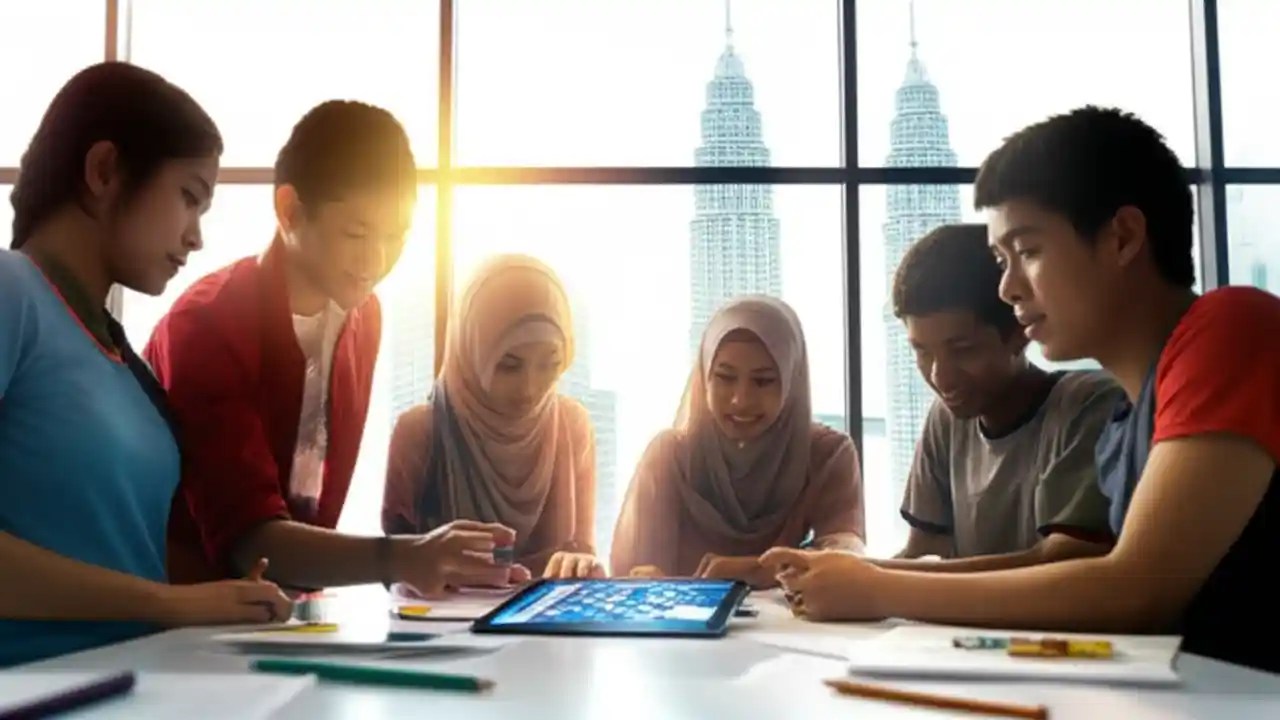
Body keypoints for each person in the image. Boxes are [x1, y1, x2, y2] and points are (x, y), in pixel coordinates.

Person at [762, 106, 1280, 675]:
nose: (1007, 288)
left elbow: (1136, 590)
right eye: (1001, 261)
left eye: (1028, 251)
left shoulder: (1231, 327)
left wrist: (881, 589)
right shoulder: (1122, 431)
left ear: (1123, 237)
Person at [145, 100, 518, 595]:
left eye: (395, 236)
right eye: (356, 233)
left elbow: (311, 501)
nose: (376, 260)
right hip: (189, 612)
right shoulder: (207, 325)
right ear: (290, 211)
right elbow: (247, 539)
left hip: (288, 612)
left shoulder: (365, 314)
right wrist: (406, 556)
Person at [0, 62, 291, 667]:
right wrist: (169, 604)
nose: (196, 238)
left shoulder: (119, 359)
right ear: (104, 171)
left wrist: (228, 597)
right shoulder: (11, 292)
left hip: (137, 682)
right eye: (189, 197)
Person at [878, 223, 1122, 572]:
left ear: (1020, 333)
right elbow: (923, 549)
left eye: (963, 350)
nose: (939, 376)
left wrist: (874, 581)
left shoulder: (1089, 407)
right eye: (922, 351)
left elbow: (1061, 561)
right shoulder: (946, 418)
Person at [611, 296, 864, 587]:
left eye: (763, 381)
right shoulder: (670, 456)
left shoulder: (826, 454)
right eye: (725, 377)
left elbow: (847, 559)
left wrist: (755, 570)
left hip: (792, 627)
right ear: (704, 377)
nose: (740, 400)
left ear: (791, 380)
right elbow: (631, 573)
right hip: (682, 628)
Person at [384, 255, 600, 579]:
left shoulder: (572, 426)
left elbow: (581, 551)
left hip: (546, 621)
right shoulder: (422, 433)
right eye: (508, 366)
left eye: (550, 364)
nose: (530, 388)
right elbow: (396, 568)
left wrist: (580, 567)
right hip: (445, 625)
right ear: (473, 352)